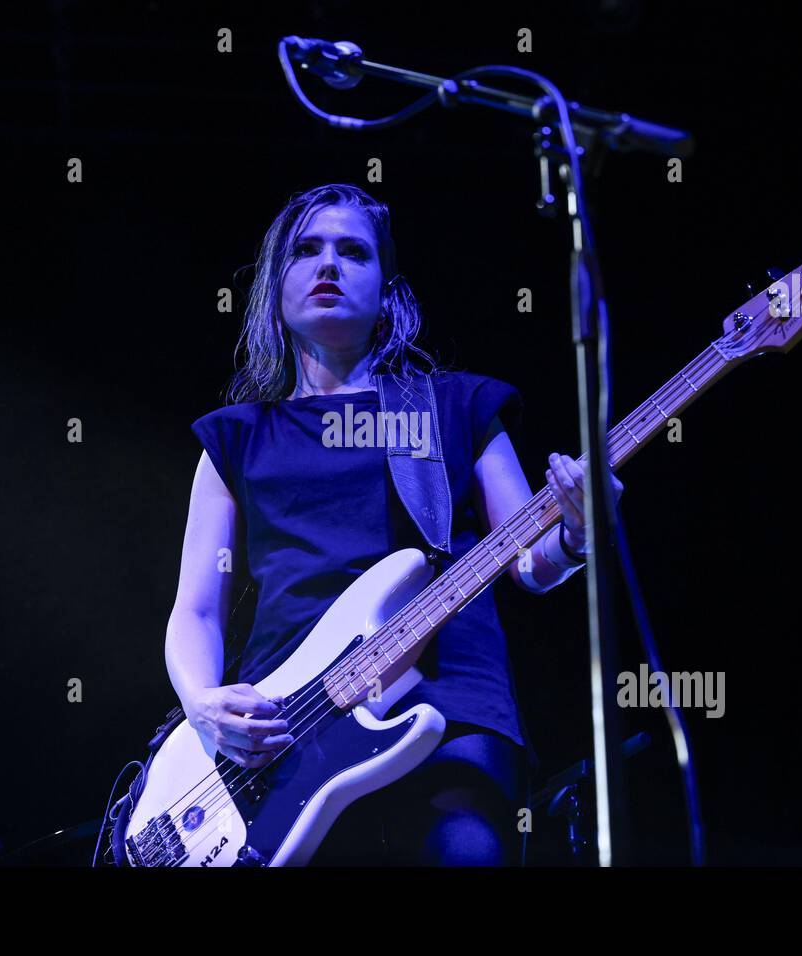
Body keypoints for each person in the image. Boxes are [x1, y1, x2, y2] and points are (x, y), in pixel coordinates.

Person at [164, 183, 623, 866]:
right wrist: (204, 704)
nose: (328, 265)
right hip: (284, 732)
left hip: (448, 705)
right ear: (274, 286)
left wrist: (579, 532)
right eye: (306, 251)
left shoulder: (456, 405)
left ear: (388, 290)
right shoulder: (235, 438)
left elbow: (530, 563)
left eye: (353, 251)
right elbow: (197, 611)